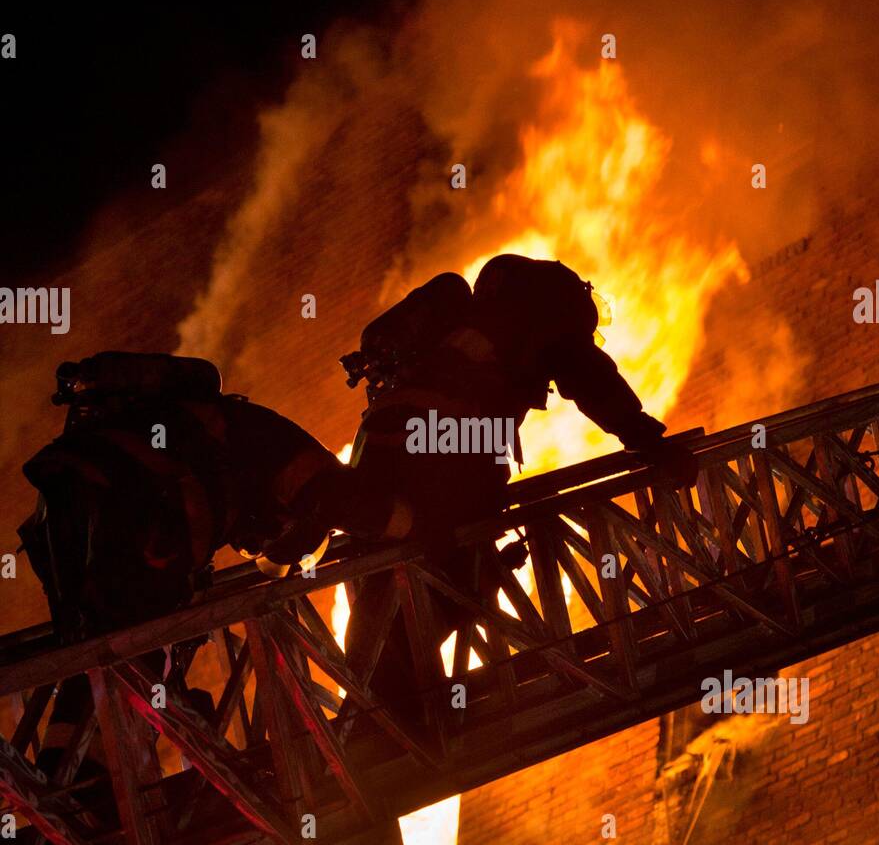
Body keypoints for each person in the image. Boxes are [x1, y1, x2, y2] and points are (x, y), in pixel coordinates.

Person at [268, 254, 698, 744]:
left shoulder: (452, 329)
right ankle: (398, 717)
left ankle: (371, 717)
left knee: (380, 575)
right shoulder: (543, 314)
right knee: (454, 576)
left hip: (378, 447)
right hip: (447, 448)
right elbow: (591, 381)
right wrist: (651, 443)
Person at [18, 350, 347, 793]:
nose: (254, 547)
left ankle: (76, 791)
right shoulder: (256, 434)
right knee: (136, 656)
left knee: (94, 657)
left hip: (62, 516)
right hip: (137, 521)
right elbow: (338, 492)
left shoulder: (177, 432)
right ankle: (117, 796)